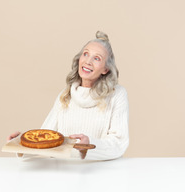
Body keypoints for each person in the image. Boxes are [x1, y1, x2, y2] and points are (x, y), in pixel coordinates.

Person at [8, 31, 129, 160]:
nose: (88, 61)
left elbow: (119, 143)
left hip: (99, 173)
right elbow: (45, 141)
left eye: (97, 58)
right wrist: (20, 144)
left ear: (106, 69)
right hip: (63, 173)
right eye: (86, 54)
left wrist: (89, 144)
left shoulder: (116, 95)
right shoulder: (65, 95)